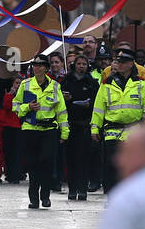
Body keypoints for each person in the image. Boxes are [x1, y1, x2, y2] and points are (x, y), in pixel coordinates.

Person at [91, 50, 145, 195]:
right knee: (111, 166)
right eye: (118, 61)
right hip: (112, 132)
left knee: (132, 167)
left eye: (123, 62)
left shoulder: (141, 84)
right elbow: (99, 108)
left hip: (133, 132)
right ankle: (111, 196)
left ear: (131, 64)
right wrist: (95, 128)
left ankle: (129, 196)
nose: (119, 64)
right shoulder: (107, 84)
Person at [15, 54, 68, 209]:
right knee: (32, 164)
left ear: (46, 67)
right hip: (30, 129)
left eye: (40, 64)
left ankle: (45, 195)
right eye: (34, 64)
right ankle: (33, 198)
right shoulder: (25, 85)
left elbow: (61, 111)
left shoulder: (55, 86)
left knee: (46, 162)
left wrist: (65, 132)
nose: (36, 67)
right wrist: (27, 107)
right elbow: (15, 106)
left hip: (49, 130)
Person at [61, 53, 98, 200]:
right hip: (70, 124)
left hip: (85, 125)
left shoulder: (92, 82)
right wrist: (66, 100)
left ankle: (82, 189)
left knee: (84, 159)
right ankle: (72, 189)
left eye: (84, 64)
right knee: (71, 159)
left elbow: (96, 102)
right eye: (79, 64)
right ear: (74, 65)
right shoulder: (66, 81)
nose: (81, 66)